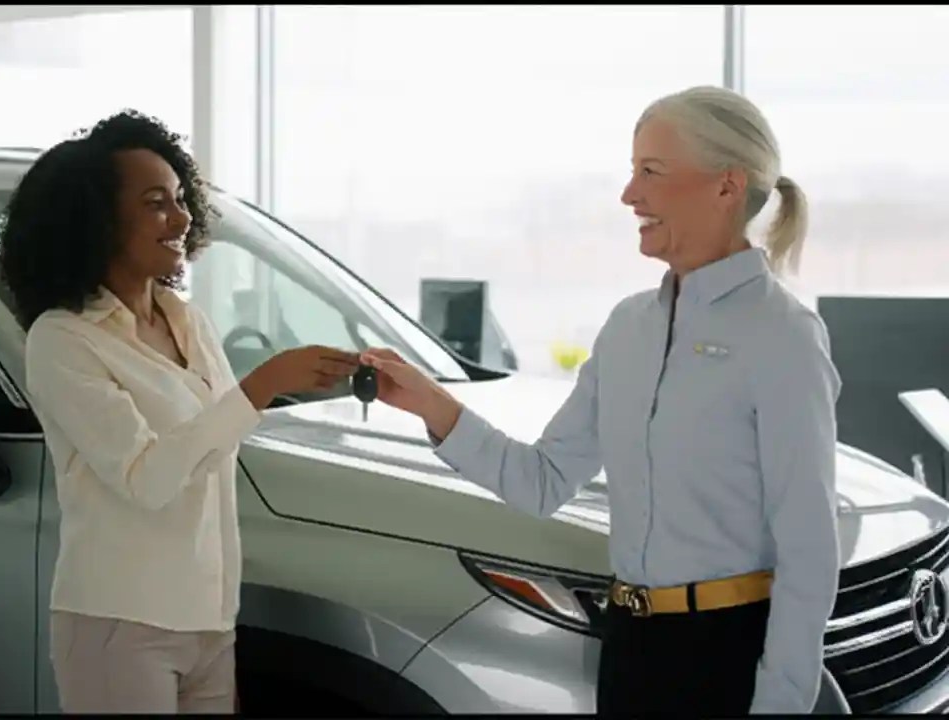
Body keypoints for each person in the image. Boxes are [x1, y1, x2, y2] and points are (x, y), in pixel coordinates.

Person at [359, 85, 840, 716]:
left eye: (651, 171)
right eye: (632, 170)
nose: (629, 194)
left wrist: (781, 704)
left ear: (726, 186)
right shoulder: (627, 328)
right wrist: (432, 404)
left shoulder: (783, 336)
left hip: (728, 657)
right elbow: (543, 481)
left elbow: (809, 547)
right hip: (630, 651)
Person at [0, 110, 359, 714]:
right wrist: (263, 384)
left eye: (181, 199)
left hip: (208, 621)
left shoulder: (189, 321)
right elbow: (147, 479)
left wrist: (221, 630)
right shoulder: (63, 339)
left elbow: (215, 456)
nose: (182, 218)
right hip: (121, 623)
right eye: (156, 203)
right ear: (97, 220)